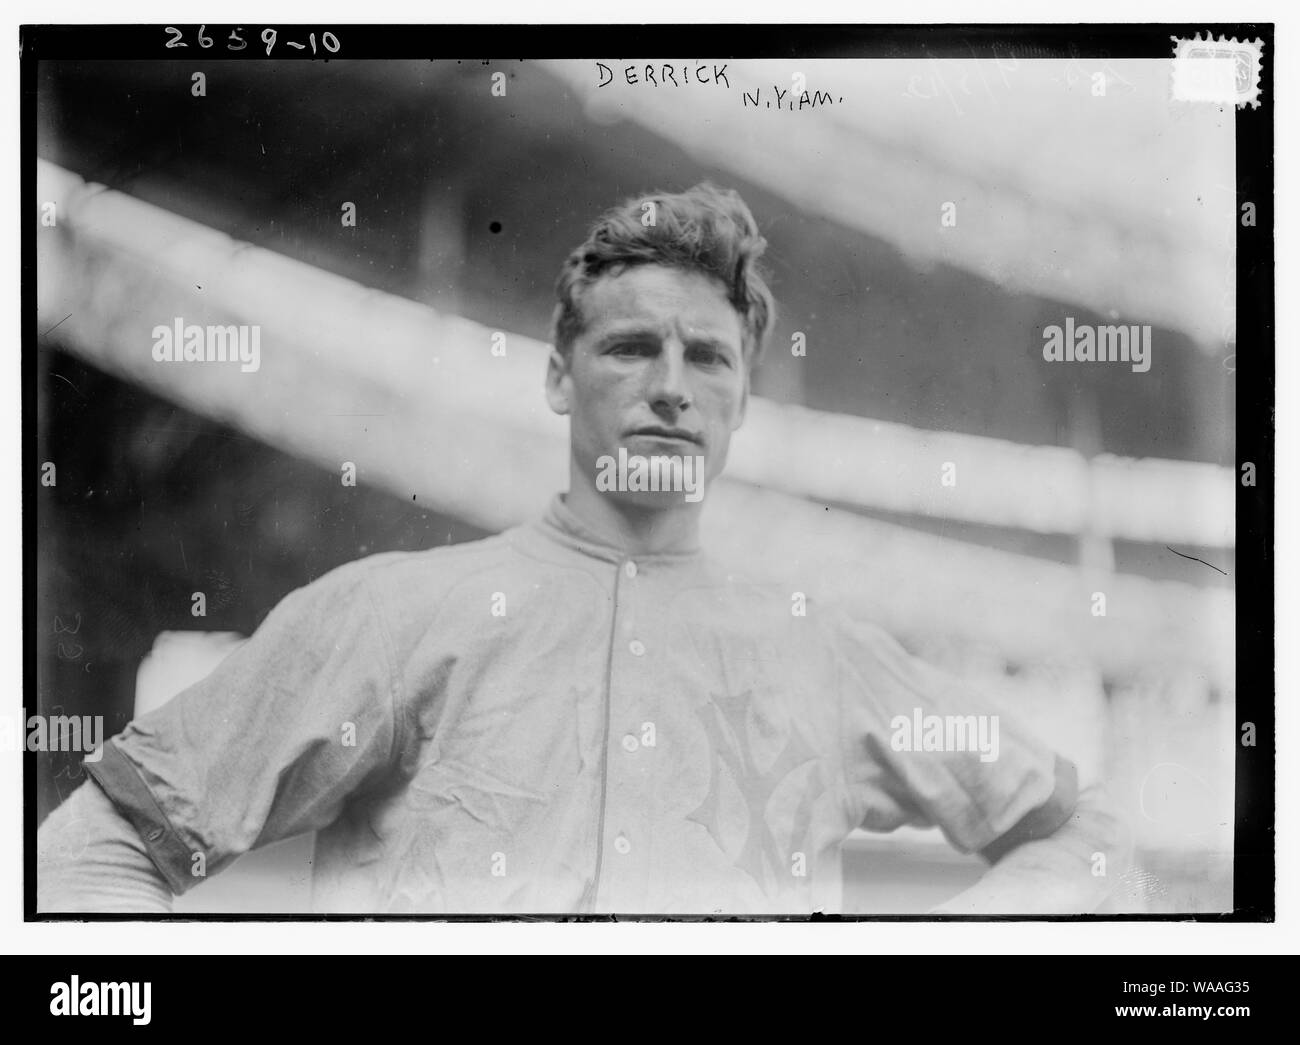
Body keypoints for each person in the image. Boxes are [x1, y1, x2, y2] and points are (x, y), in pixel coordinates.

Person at [38, 183, 1129, 915]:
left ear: (741, 402)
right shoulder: (393, 610)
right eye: (628, 346)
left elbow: (1080, 838)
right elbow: (101, 839)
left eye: (707, 357)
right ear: (559, 377)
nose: (668, 384)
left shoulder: (825, 655)